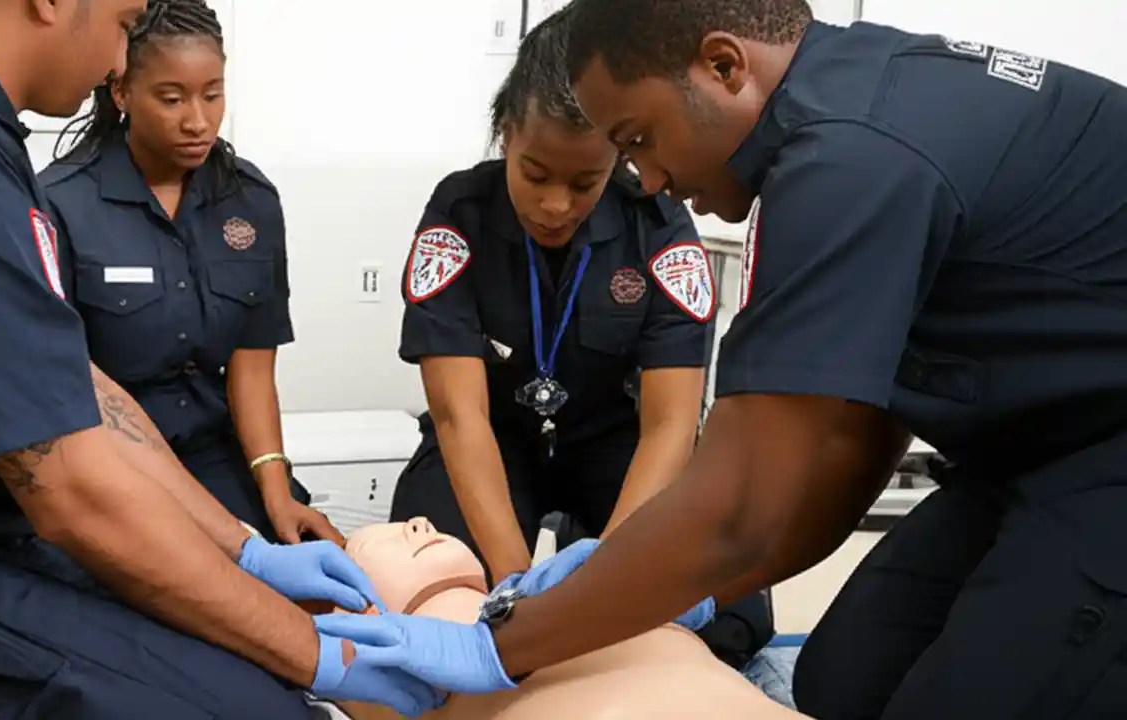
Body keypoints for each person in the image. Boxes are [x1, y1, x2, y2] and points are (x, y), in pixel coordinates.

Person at [309, 0, 1127, 717]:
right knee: (840, 684)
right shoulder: (854, 99)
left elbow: (738, 504)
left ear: (724, 66)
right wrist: (635, 588)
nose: (653, 179)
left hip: (1098, 458)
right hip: (1031, 448)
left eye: (639, 140)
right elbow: (849, 439)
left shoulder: (845, 160)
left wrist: (505, 645)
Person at [0, 1, 435, 717]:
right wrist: (322, 655)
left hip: (5, 521)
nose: (119, 63)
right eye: (127, 25)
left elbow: (65, 379)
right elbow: (70, 485)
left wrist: (245, 547)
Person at [389, 7, 773, 665]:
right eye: (536, 174)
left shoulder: (658, 227)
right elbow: (460, 418)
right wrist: (520, 591)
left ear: (620, 156)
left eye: (585, 182)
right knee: (428, 587)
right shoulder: (458, 214)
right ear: (505, 135)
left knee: (732, 614)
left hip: (615, 439)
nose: (556, 205)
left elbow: (671, 426)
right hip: (495, 436)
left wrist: (600, 587)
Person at [39, 0, 334, 545]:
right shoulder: (61, 204)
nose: (198, 120)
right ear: (122, 91)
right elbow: (57, 388)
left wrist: (277, 494)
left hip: (218, 460)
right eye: (171, 99)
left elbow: (251, 368)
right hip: (108, 464)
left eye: (212, 94)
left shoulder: (251, 201)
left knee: (323, 579)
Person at [325, 518, 802, 720]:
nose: (419, 524)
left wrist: (657, 584)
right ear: (356, 606)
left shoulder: (556, 587)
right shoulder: (383, 662)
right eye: (383, 539)